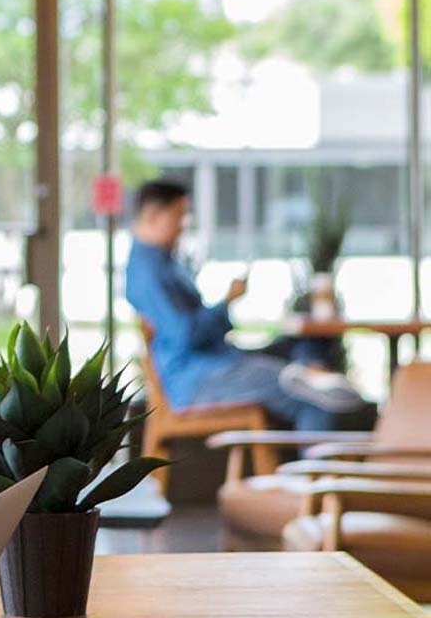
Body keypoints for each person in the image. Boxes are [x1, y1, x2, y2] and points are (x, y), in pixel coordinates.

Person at [125, 178, 374, 432]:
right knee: (305, 394)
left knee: (301, 348)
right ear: (153, 215)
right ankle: (315, 465)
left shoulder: (165, 263)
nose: (183, 225)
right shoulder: (148, 271)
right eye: (179, 215)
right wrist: (227, 302)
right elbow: (186, 335)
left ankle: (308, 373)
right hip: (198, 378)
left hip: (217, 362)